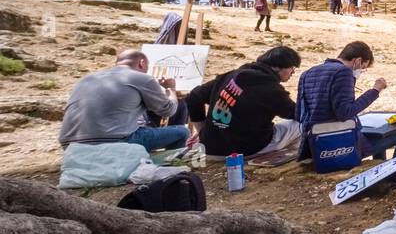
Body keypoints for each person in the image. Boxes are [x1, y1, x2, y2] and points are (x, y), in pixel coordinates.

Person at [295, 41, 396, 161]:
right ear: (358, 61)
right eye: (363, 68)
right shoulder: (343, 72)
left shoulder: (307, 73)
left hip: (313, 145)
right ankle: (395, 174)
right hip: (337, 146)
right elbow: (345, 113)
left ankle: (379, 168)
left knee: (377, 136)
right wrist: (375, 90)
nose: (361, 71)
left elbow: (299, 114)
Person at [58, 49, 188, 151]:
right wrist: (171, 89)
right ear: (142, 63)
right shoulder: (142, 78)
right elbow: (169, 111)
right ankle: (169, 164)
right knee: (182, 132)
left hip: (69, 144)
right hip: (114, 142)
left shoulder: (87, 79)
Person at [187, 46, 301, 158]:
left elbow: (194, 96)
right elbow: (299, 114)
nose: (293, 72)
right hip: (243, 150)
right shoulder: (270, 87)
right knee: (302, 125)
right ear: (278, 67)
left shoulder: (232, 75)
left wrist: (203, 132)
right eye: (292, 67)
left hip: (209, 147)